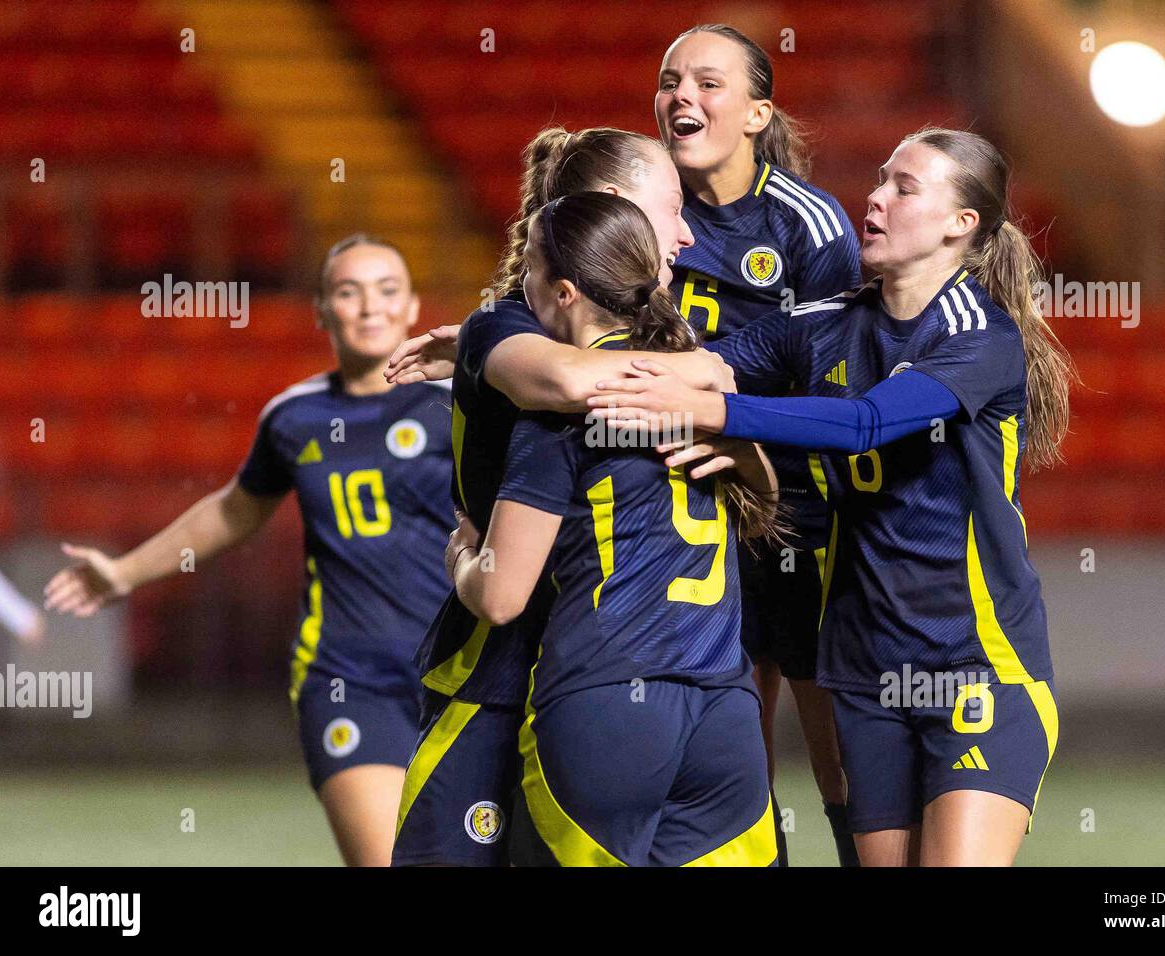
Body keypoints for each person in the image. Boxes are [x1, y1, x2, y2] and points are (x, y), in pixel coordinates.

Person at [585, 128, 1072, 866]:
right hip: (864, 670)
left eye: (904, 187)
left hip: (979, 667)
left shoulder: (978, 335)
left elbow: (865, 424)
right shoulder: (822, 325)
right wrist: (496, 344)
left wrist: (718, 415)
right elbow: (690, 369)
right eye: (880, 179)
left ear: (960, 223)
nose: (874, 197)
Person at [44, 235, 453, 867]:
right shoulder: (295, 416)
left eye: (386, 290)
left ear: (411, 308)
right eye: (349, 291)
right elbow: (235, 509)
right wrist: (123, 573)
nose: (369, 307)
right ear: (320, 309)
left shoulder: (458, 406)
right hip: (349, 680)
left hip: (461, 672)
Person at [389, 126, 732, 866]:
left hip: (606, 676)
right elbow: (577, 383)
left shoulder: (661, 339)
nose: (684, 233)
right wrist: (708, 379)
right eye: (671, 207)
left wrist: (713, 377)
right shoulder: (513, 321)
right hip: (500, 671)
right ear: (612, 206)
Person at [453, 191, 778, 865]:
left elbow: (502, 594)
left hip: (607, 706)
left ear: (564, 292)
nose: (522, 285)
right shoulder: (702, 391)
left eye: (532, 270)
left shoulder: (554, 415)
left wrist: (461, 555)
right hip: (725, 714)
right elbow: (764, 506)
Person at [656, 23, 863, 865]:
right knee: (728, 742)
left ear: (756, 113)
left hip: (797, 511)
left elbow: (842, 386)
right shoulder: (638, 205)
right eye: (670, 81)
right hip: (677, 504)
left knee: (835, 747)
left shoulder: (810, 226)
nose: (681, 98)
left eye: (708, 83)